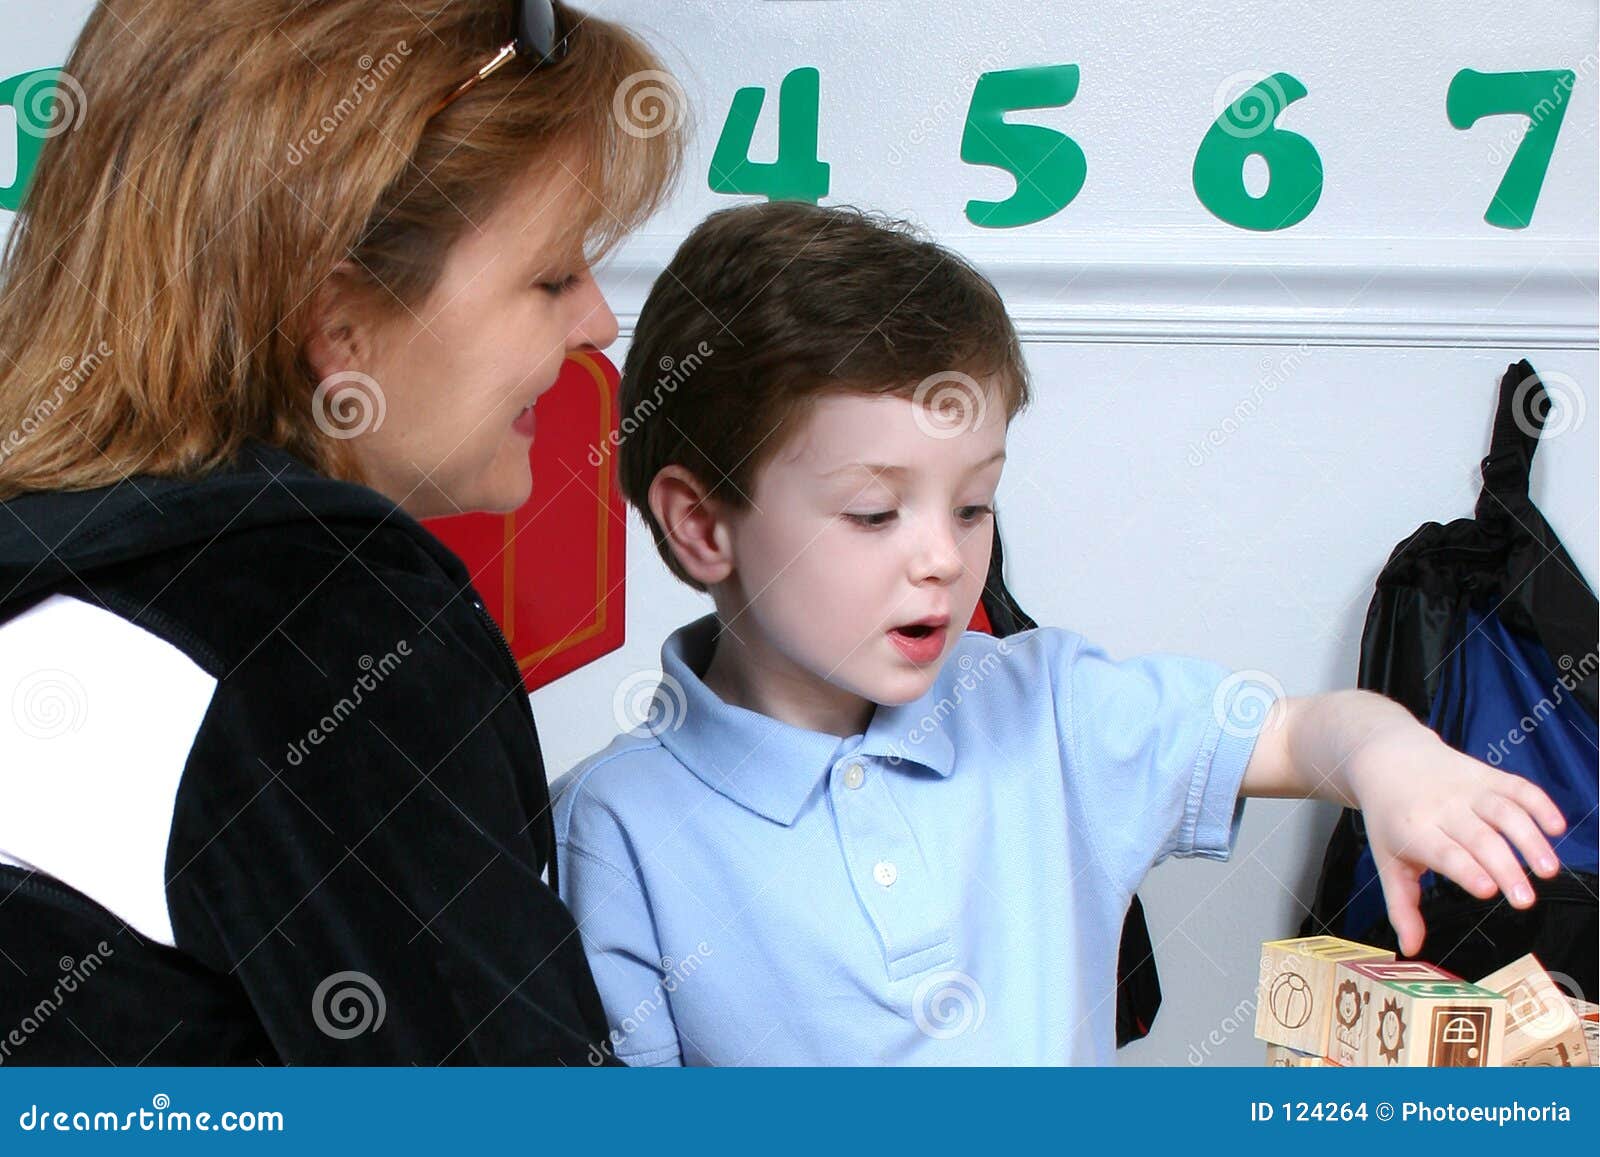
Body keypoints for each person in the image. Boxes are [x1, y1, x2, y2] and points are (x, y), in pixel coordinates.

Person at [552, 200, 1569, 1066]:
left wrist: (1389, 756)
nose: (945, 558)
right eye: (874, 512)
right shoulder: (613, 826)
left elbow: (1304, 733)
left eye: (973, 504)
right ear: (701, 524)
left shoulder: (1049, 706)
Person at [0, 0, 682, 1064]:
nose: (596, 320)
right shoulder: (315, 625)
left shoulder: (54, 578)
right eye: (550, 276)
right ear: (338, 325)